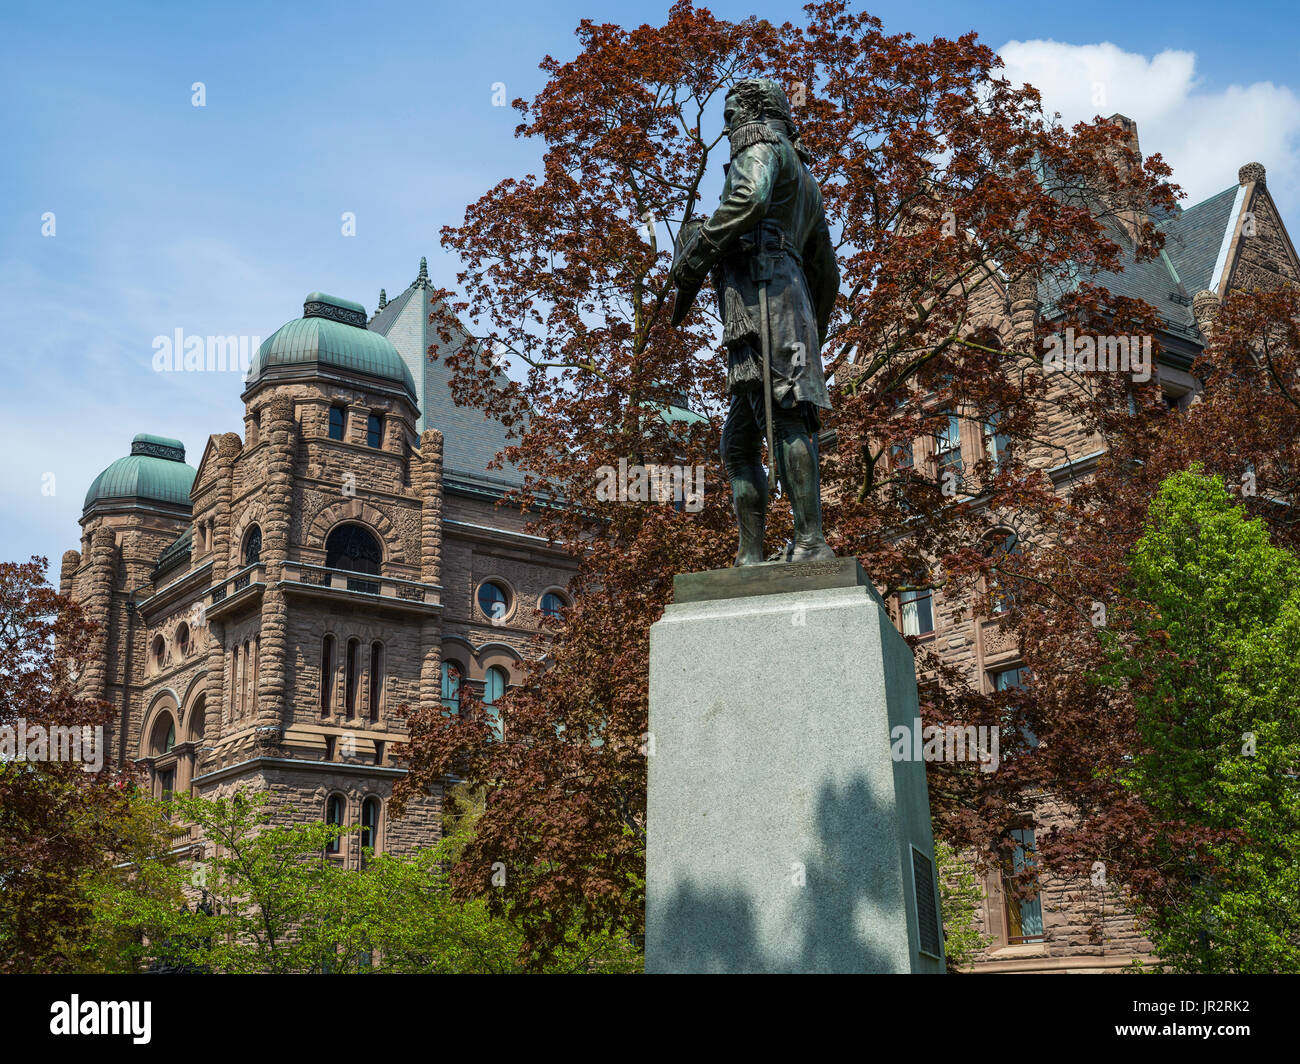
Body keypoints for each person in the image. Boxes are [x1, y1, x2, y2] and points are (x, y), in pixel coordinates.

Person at [672, 78, 839, 565]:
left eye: (730, 115)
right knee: (740, 438)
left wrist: (699, 251)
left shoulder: (761, 147)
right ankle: (751, 557)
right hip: (789, 304)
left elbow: (749, 199)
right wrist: (813, 333)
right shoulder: (806, 180)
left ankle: (810, 544)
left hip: (767, 298)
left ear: (751, 112)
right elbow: (826, 273)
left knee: (785, 417)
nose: (726, 126)